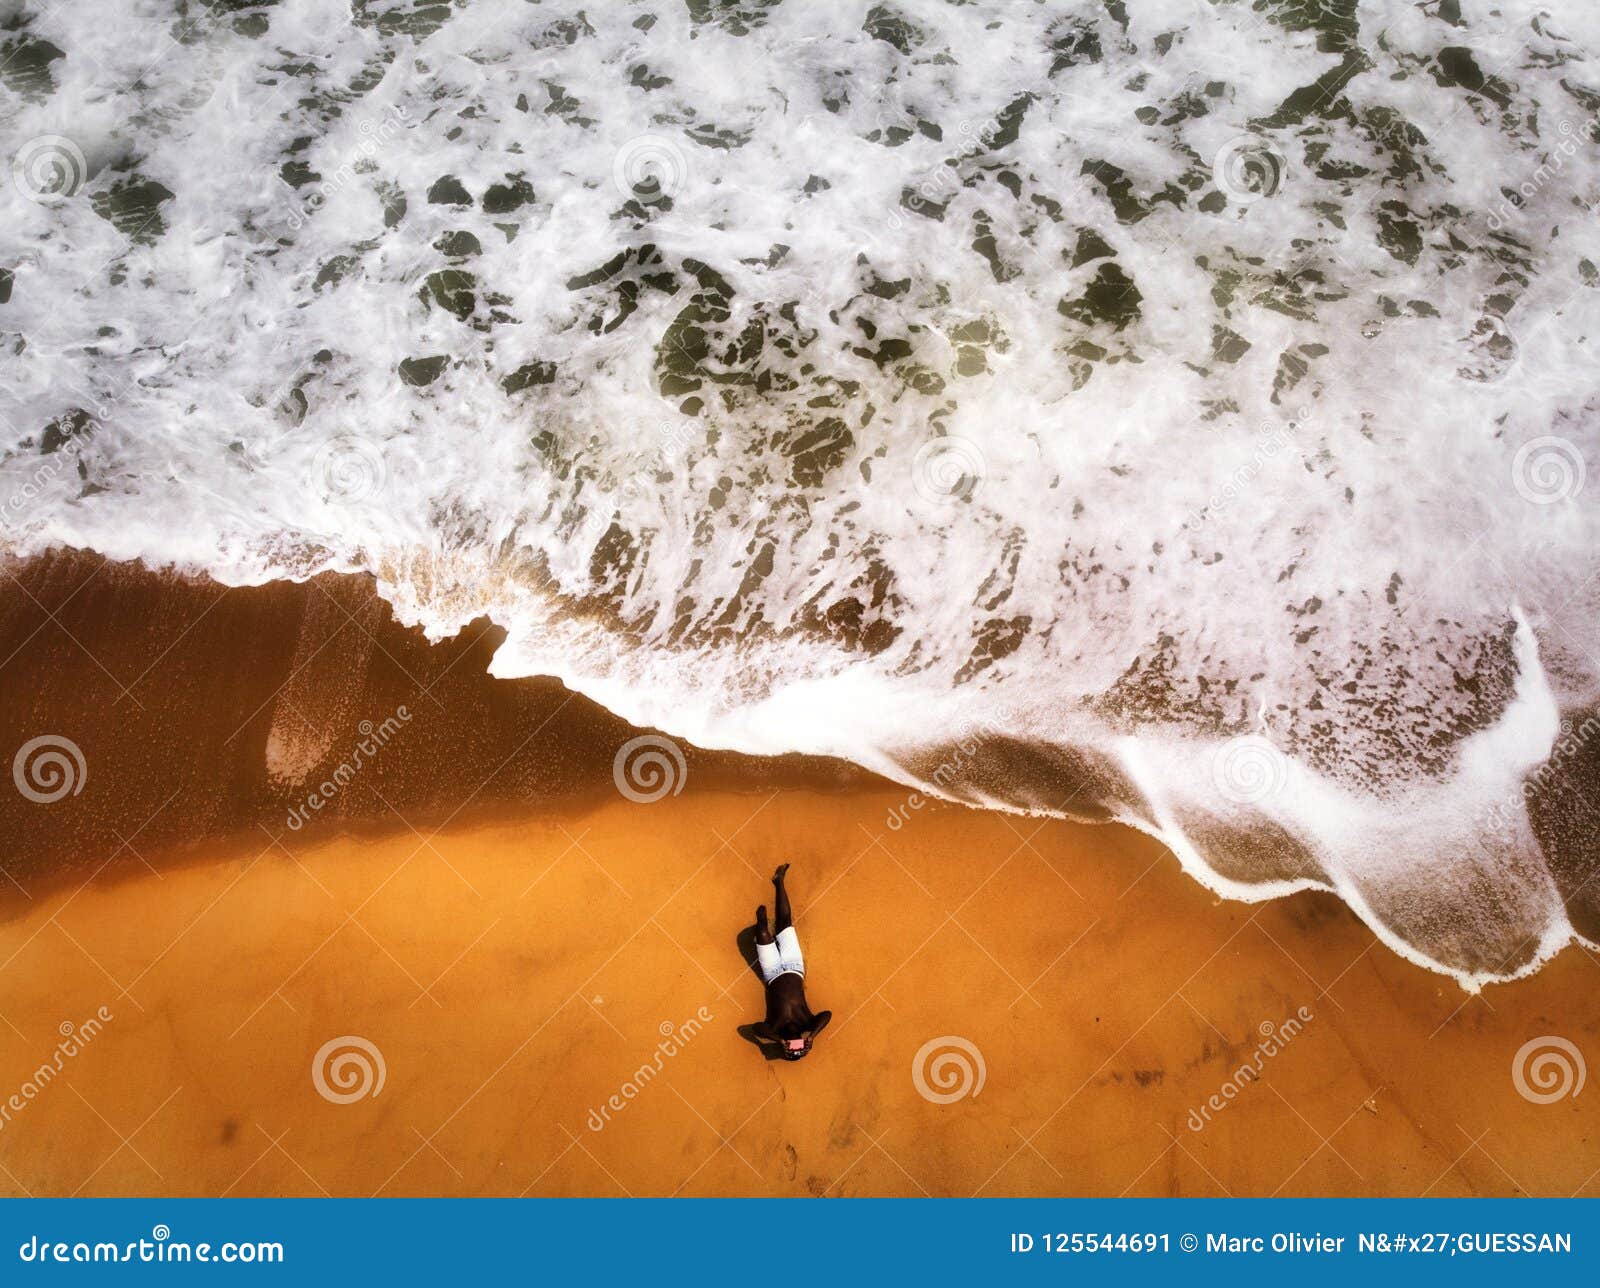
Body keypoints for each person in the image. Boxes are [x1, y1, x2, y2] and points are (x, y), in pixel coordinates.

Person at [751, 864, 831, 1061]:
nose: (794, 1039)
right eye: (799, 1043)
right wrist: (812, 1036)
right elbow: (827, 1015)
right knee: (785, 922)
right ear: (802, 1043)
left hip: (772, 972)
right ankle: (779, 881)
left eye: (791, 1044)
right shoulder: (806, 1023)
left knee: (762, 933)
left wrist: (777, 1041)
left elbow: (755, 1028)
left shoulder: (775, 1028)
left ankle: (762, 926)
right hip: (795, 966)